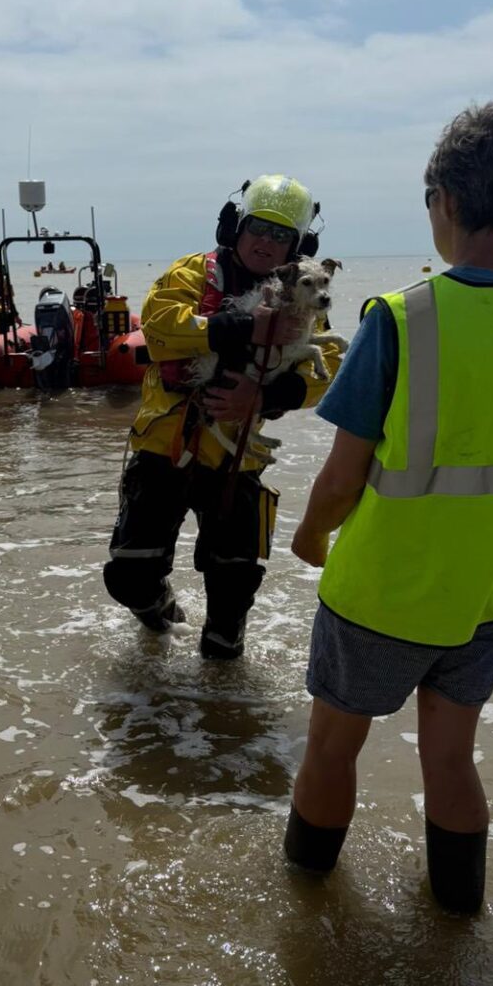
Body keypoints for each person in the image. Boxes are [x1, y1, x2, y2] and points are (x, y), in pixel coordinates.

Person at [286, 97, 493, 915]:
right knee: (451, 760)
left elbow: (341, 479)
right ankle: (458, 921)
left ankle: (304, 905)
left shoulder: (399, 320)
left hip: (383, 594)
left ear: (447, 203)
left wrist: (311, 535)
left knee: (331, 747)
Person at [103, 174, 343, 660]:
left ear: (300, 246)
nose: (266, 242)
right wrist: (239, 325)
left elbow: (331, 365)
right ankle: (159, 614)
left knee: (231, 605)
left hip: (239, 462)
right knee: (129, 575)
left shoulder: (303, 292)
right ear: (234, 225)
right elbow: (160, 327)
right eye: (259, 227)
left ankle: (224, 711)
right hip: (164, 447)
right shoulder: (192, 273)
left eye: (282, 235)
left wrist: (267, 394)